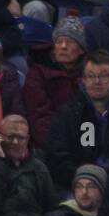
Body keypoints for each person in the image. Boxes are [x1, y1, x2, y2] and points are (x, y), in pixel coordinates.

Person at [42, 49, 109, 188]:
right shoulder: (68, 114)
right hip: (78, 185)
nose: (97, 81)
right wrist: (84, 178)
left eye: (103, 75)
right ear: (83, 79)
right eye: (91, 76)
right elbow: (57, 156)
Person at [23, 16, 86, 149]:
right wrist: (58, 147)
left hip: (83, 144)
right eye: (59, 42)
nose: (63, 46)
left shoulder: (89, 74)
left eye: (70, 42)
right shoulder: (38, 73)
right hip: (49, 146)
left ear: (81, 49)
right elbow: (39, 117)